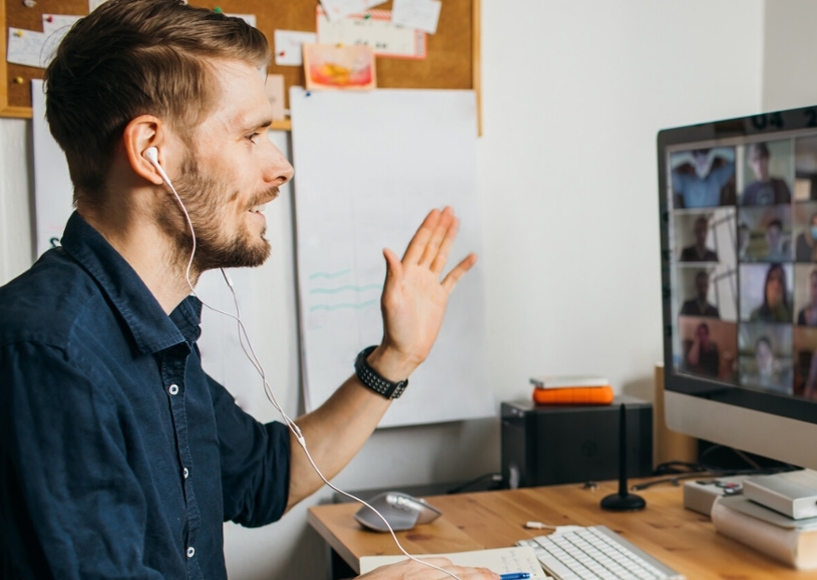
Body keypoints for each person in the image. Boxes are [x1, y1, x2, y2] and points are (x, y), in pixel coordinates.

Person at [0, 2, 494, 579]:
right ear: (151, 150)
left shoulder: (155, 327)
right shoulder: (50, 351)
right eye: (252, 134)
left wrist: (396, 358)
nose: (281, 167)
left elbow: (265, 478)